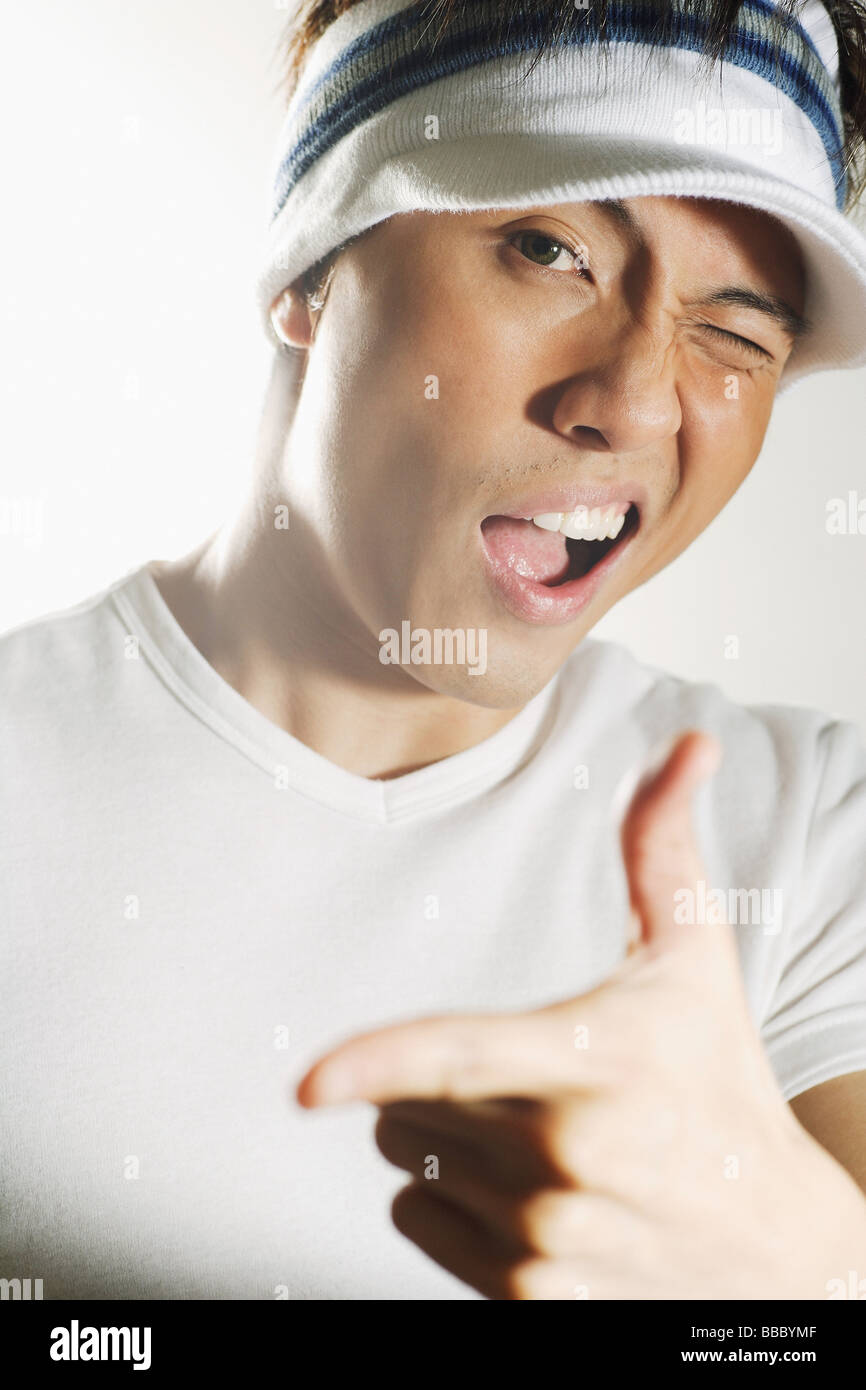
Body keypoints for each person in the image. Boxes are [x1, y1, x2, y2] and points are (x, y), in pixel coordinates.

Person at [2, 0, 866, 1301]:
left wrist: (802, 1271)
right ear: (312, 266)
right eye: (548, 248)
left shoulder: (811, 839)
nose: (631, 402)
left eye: (734, 335)